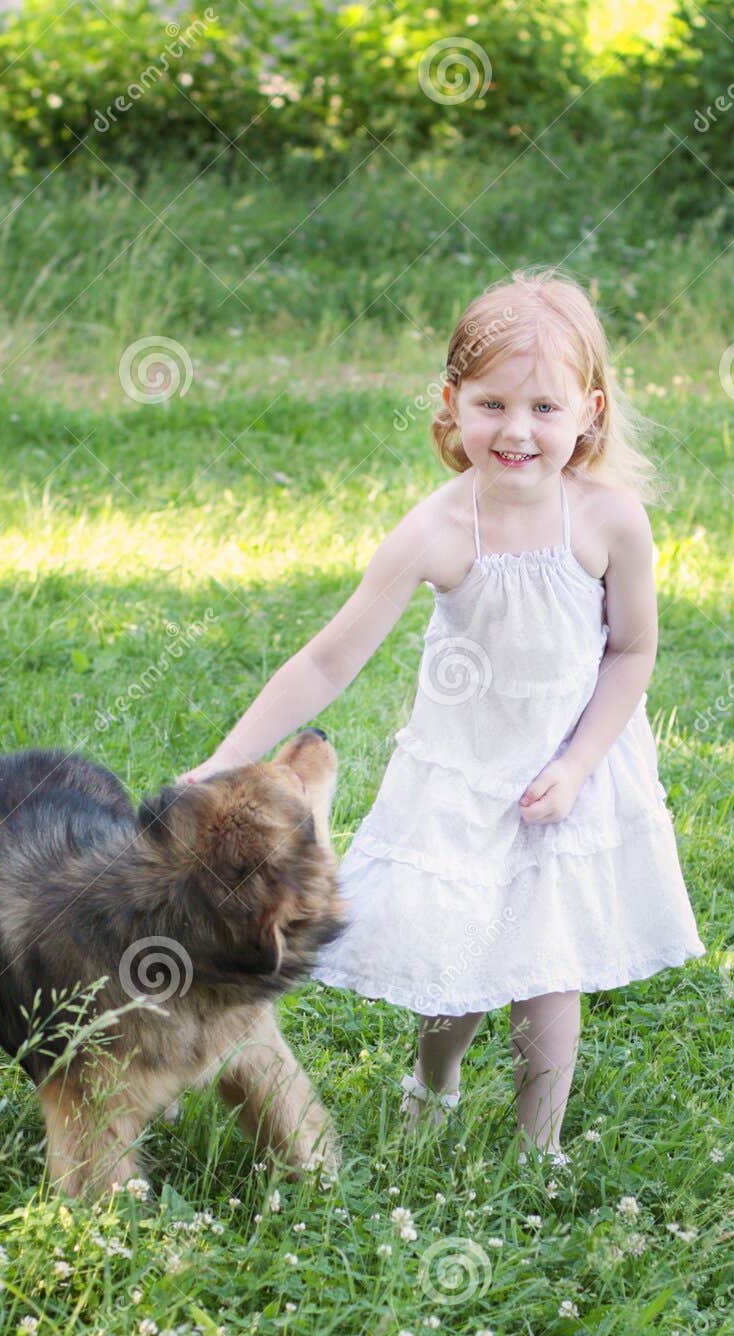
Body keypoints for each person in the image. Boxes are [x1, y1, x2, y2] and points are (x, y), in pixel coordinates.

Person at [181, 267, 704, 1161]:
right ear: (451, 404)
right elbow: (328, 658)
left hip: (569, 769)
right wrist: (226, 761)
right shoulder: (437, 529)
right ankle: (433, 1081)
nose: (515, 430)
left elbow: (630, 653)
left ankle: (537, 1151)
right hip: (466, 775)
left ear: (588, 412)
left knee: (551, 967)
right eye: (491, 403)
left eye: (543, 407)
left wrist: (577, 764)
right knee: (458, 962)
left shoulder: (610, 521)